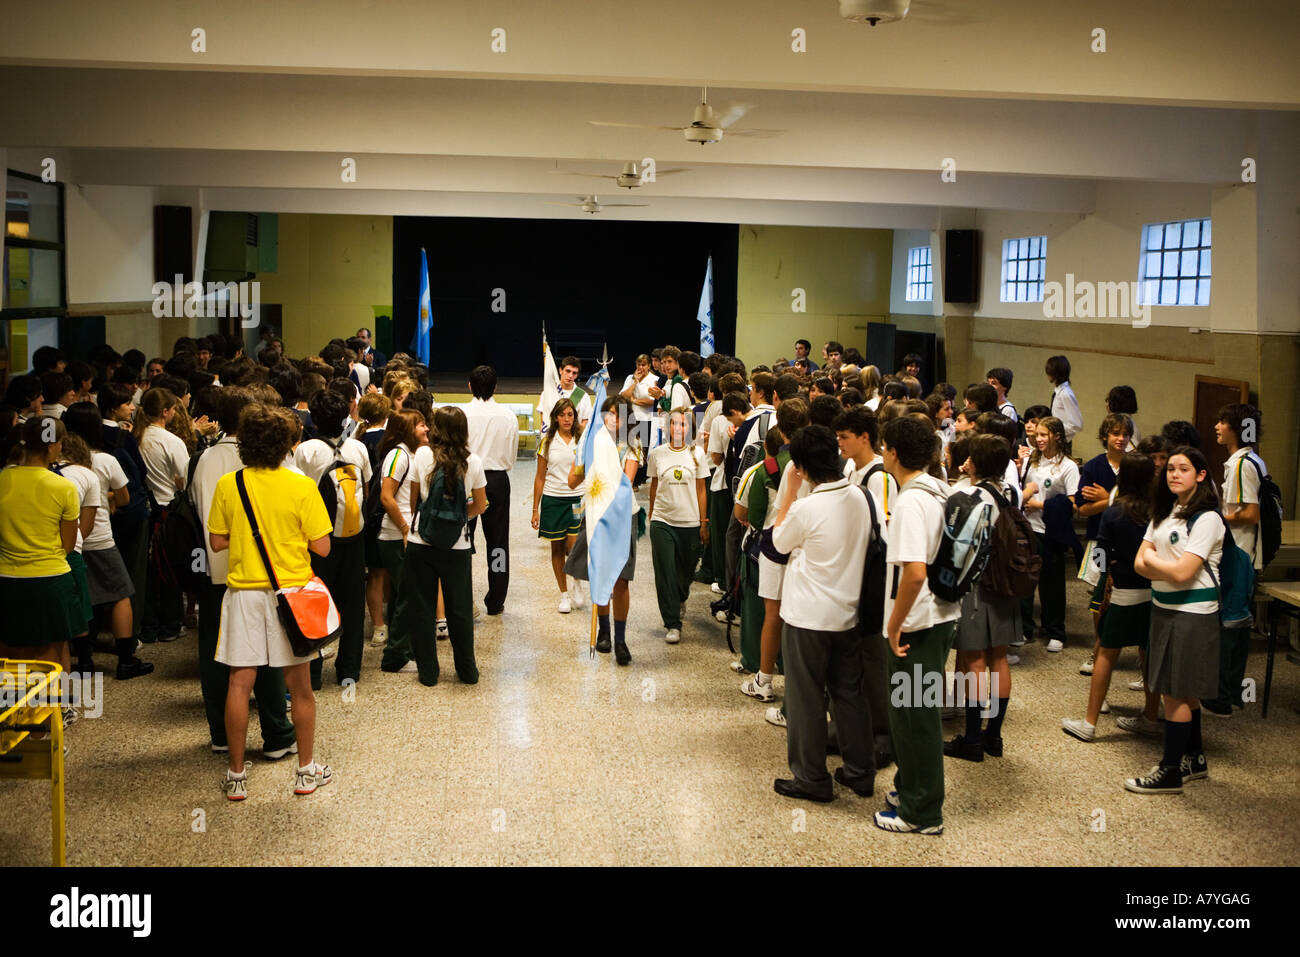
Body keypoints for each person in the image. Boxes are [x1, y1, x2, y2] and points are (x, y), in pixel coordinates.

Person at [207, 404, 334, 800]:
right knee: (300, 689)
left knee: (238, 684)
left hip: (243, 594)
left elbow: (216, 541)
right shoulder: (301, 487)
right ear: (286, 445)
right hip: (291, 596)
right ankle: (306, 771)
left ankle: (237, 775)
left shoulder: (231, 484)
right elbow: (323, 547)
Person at [767, 424, 873, 803]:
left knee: (806, 698)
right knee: (848, 694)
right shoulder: (860, 497)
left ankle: (812, 777)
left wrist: (790, 494)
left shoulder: (808, 507)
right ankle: (860, 770)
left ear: (802, 466)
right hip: (847, 612)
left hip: (808, 617)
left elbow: (778, 544)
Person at [188, 387, 295, 755]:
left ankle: (221, 734)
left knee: (218, 659)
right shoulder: (273, 463)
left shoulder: (204, 460)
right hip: (266, 573)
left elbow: (209, 526)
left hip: (214, 573)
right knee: (268, 657)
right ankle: (277, 733)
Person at [876, 415, 960, 835]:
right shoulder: (936, 488)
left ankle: (922, 812)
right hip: (941, 615)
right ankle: (909, 785)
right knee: (912, 710)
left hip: (917, 622)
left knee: (914, 715)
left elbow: (912, 574)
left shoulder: (910, 501)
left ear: (891, 451)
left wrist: (894, 624)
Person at [1124, 447, 1224, 794]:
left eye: (1183, 469)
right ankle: (1194, 758)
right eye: (1169, 469)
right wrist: (1155, 563)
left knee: (1175, 693)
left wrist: (1155, 561)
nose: (1174, 474)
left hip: (1192, 613)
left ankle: (1170, 772)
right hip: (1163, 607)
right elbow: (1138, 563)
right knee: (1182, 691)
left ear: (1200, 475)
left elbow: (1184, 573)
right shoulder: (1164, 512)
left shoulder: (1208, 518)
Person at [1062, 452, 1161, 741]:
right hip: (1155, 590)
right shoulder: (1159, 511)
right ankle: (1151, 716)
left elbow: (1101, 556)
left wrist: (1110, 573)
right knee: (1148, 652)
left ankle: (1090, 723)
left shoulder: (1115, 512)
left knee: (1106, 651)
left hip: (1124, 591)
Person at [395, 406, 486, 686]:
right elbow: (480, 505)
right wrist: (459, 515)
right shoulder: (473, 461)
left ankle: (429, 673)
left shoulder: (422, 455)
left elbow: (412, 501)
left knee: (421, 607)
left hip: (421, 541)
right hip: (457, 546)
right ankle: (467, 671)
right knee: (459, 609)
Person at [61, 403, 153, 680]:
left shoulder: (60, 463)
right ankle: (126, 658)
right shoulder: (105, 460)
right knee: (120, 594)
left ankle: (85, 658)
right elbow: (124, 498)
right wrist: (108, 498)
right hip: (99, 537)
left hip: (68, 540)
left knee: (79, 596)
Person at [944, 434, 1021, 762]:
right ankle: (995, 735)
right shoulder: (1009, 492)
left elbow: (954, 543)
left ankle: (972, 739)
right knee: (998, 659)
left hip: (975, 585)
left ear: (973, 462)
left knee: (974, 659)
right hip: (1005, 582)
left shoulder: (966, 493)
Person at [293, 387, 372, 687]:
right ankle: (349, 669)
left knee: (314, 603)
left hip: (317, 537)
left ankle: (313, 672)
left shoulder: (306, 451)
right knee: (353, 604)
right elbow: (367, 485)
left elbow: (298, 490)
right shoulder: (358, 449)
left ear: (314, 419)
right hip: (354, 535)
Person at [564, 396, 642, 665]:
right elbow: (573, 480)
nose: (612, 419)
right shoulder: (592, 444)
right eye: (607, 414)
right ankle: (604, 632)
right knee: (601, 574)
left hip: (621, 515)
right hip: (597, 514)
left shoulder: (631, 444)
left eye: (617, 414)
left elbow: (626, 481)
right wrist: (581, 458)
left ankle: (620, 639)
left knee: (621, 579)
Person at [1205, 402, 1265, 717]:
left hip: (1239, 552)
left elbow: (1251, 513)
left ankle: (1222, 696)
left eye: (1222, 421)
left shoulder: (1242, 465)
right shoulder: (1252, 459)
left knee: (1231, 623)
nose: (1217, 426)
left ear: (1236, 428)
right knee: (1239, 623)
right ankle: (1234, 693)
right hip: (1245, 552)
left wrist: (1218, 515)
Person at [1074, 413, 1135, 672]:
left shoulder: (1135, 465)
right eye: (1115, 434)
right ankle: (1098, 646)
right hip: (1099, 541)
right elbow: (1083, 510)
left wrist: (1106, 499)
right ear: (1105, 437)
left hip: (1129, 542)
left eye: (1125, 434)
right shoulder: (1094, 467)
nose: (1121, 439)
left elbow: (1138, 504)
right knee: (1099, 593)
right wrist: (1113, 498)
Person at [646, 408, 708, 644]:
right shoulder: (658, 454)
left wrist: (704, 522)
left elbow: (702, 489)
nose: (677, 429)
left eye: (682, 425)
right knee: (665, 574)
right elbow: (654, 485)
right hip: (663, 521)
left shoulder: (697, 454)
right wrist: (653, 514)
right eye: (673, 424)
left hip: (690, 522)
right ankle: (672, 622)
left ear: (688, 429)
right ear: (667, 427)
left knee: (684, 574)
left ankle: (680, 598)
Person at [134, 387, 190, 643]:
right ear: (166, 412)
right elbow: (185, 478)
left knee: (147, 572)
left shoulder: (136, 436)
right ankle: (170, 625)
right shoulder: (171, 441)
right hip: (168, 509)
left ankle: (149, 625)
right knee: (169, 568)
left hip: (145, 510)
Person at [1020, 415, 1080, 652]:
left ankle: (1055, 631)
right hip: (1028, 527)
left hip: (1051, 531)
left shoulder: (1068, 466)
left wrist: (1040, 506)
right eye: (1038, 435)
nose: (1039, 439)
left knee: (1052, 583)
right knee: (1025, 581)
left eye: (1044, 435)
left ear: (1056, 436)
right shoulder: (1031, 462)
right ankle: (1024, 628)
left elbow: (1074, 503)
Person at [462, 365, 517, 616]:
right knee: (498, 543)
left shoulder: (461, 414)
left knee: (464, 541)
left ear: (470, 386)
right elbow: (512, 456)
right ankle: (496, 600)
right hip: (496, 480)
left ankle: (464, 596)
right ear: (495, 387)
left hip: (467, 479)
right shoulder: (508, 416)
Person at [375, 410, 428, 670]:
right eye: (421, 425)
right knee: (408, 597)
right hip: (396, 536)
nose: (426, 429)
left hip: (403, 535)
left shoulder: (409, 454)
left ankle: (403, 649)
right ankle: (395, 656)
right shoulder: (398, 456)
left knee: (402, 596)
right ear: (408, 429)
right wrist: (406, 529)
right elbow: (387, 497)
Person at [531, 397, 585, 613]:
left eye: (570, 414)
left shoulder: (582, 439)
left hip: (577, 499)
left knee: (574, 546)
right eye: (562, 415)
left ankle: (577, 582)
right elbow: (539, 477)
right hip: (553, 500)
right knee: (557, 547)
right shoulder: (547, 442)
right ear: (555, 417)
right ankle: (564, 595)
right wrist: (535, 509)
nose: (566, 418)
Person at [545, 356, 593, 430]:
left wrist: (572, 437)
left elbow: (585, 422)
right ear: (560, 370)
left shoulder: (583, 396)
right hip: (552, 437)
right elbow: (543, 419)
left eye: (574, 373)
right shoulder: (548, 393)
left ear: (577, 375)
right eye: (568, 371)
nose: (570, 376)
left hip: (574, 439)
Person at [1046, 355, 1083, 449]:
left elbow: (1077, 424)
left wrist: (1056, 432)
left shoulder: (1065, 393)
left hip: (1061, 442)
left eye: (1049, 371)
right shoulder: (1059, 391)